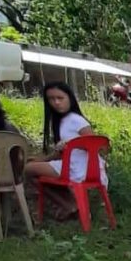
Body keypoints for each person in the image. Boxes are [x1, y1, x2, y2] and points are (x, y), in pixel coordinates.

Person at [24, 83, 105, 216]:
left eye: (60, 98)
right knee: (32, 168)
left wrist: (72, 144)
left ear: (70, 98)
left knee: (27, 169)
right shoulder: (61, 121)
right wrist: (43, 160)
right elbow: (61, 152)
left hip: (81, 166)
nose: (56, 102)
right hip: (69, 164)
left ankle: (71, 205)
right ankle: (71, 204)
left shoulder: (77, 120)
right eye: (51, 99)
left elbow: (96, 146)